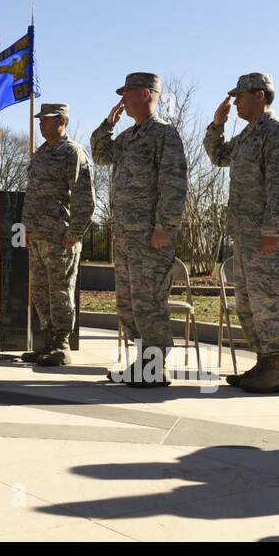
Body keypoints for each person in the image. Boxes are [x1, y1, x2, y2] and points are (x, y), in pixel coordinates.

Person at [205, 72, 279, 393]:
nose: (236, 101)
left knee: (268, 303)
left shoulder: (277, 132)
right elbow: (219, 157)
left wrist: (272, 230)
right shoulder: (248, 135)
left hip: (268, 238)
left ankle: (277, 369)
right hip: (246, 237)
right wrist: (217, 125)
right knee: (248, 305)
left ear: (260, 95)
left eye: (241, 96)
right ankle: (265, 363)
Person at [91, 73, 188, 387]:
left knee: (149, 302)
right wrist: (108, 123)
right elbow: (101, 154)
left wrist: (165, 227)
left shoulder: (164, 135)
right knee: (129, 303)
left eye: (127, 93)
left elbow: (174, 185)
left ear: (146, 94)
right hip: (125, 237)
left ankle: (155, 367)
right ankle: (144, 363)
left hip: (150, 237)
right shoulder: (129, 137)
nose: (123, 100)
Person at [21, 103, 95, 367]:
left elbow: (85, 196)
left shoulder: (72, 152)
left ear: (62, 120)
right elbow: (33, 195)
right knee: (41, 292)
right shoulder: (40, 154)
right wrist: (28, 230)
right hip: (38, 237)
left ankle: (62, 345)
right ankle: (47, 343)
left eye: (47, 119)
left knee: (61, 291)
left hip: (60, 237)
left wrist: (74, 233)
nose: (41, 123)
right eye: (40, 119)